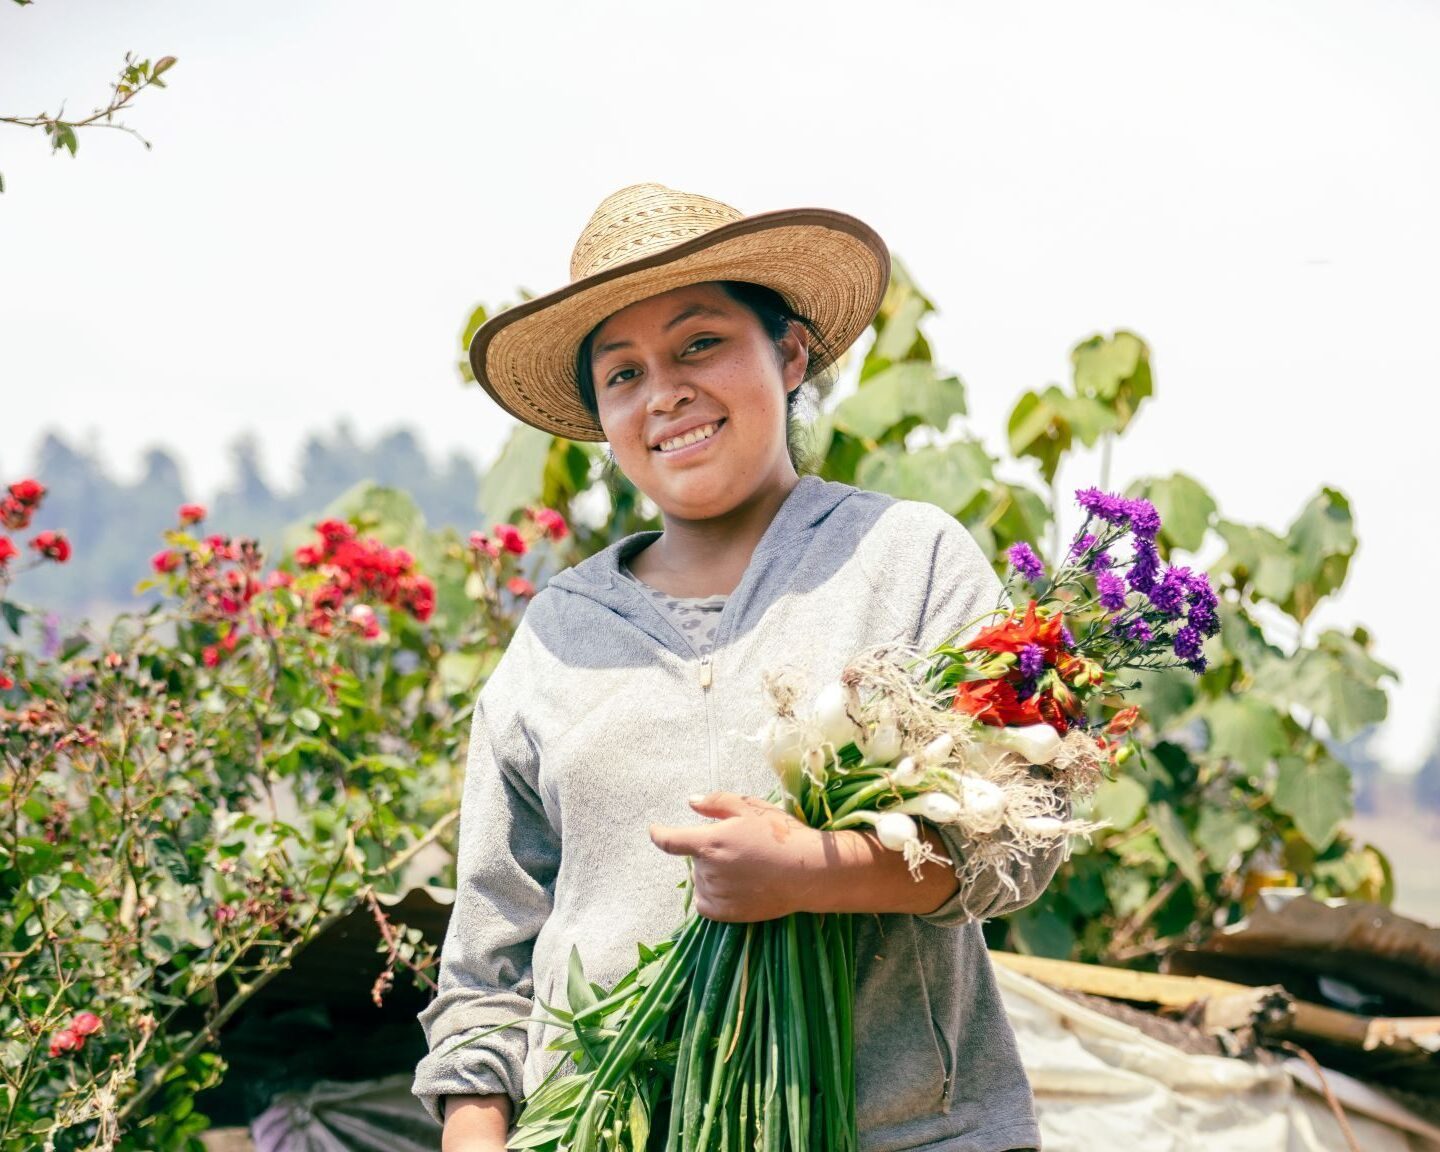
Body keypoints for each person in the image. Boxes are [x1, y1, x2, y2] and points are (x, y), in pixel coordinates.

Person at [412, 183, 1059, 1152]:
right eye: (622, 373)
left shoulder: (906, 561)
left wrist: (813, 870)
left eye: (700, 343)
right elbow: (484, 971)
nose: (664, 391)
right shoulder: (556, 637)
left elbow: (1018, 840)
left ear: (791, 353)